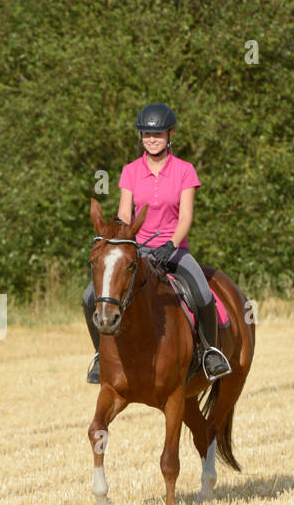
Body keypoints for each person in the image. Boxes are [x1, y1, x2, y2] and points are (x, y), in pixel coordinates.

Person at [82, 102, 232, 384]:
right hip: (137, 250)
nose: (152, 139)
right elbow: (126, 215)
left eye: (159, 134)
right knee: (90, 296)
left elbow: (186, 216)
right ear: (140, 136)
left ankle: (210, 353)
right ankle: (101, 356)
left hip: (172, 250)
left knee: (202, 292)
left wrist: (172, 244)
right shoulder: (130, 171)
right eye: (147, 134)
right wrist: (114, 238)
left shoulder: (185, 171)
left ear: (170, 134)